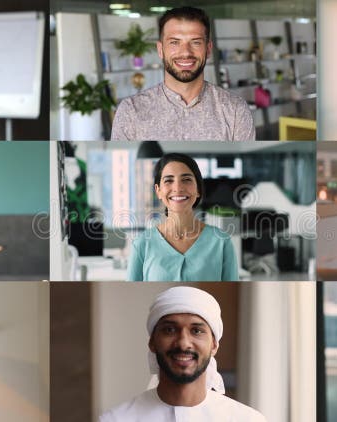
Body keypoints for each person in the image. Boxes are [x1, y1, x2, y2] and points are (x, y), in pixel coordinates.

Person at [100, 286, 266, 421]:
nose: (183, 343)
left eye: (197, 331)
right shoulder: (115, 419)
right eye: (170, 330)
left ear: (214, 345)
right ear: (152, 342)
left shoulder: (247, 419)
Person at [110, 7, 255, 141]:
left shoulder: (235, 109)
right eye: (174, 42)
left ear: (208, 49)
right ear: (160, 49)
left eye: (196, 42)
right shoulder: (130, 111)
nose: (185, 52)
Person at [127, 153, 238, 281]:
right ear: (158, 191)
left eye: (186, 180)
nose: (178, 188)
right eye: (168, 180)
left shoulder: (221, 242)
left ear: (198, 190)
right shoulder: (141, 244)